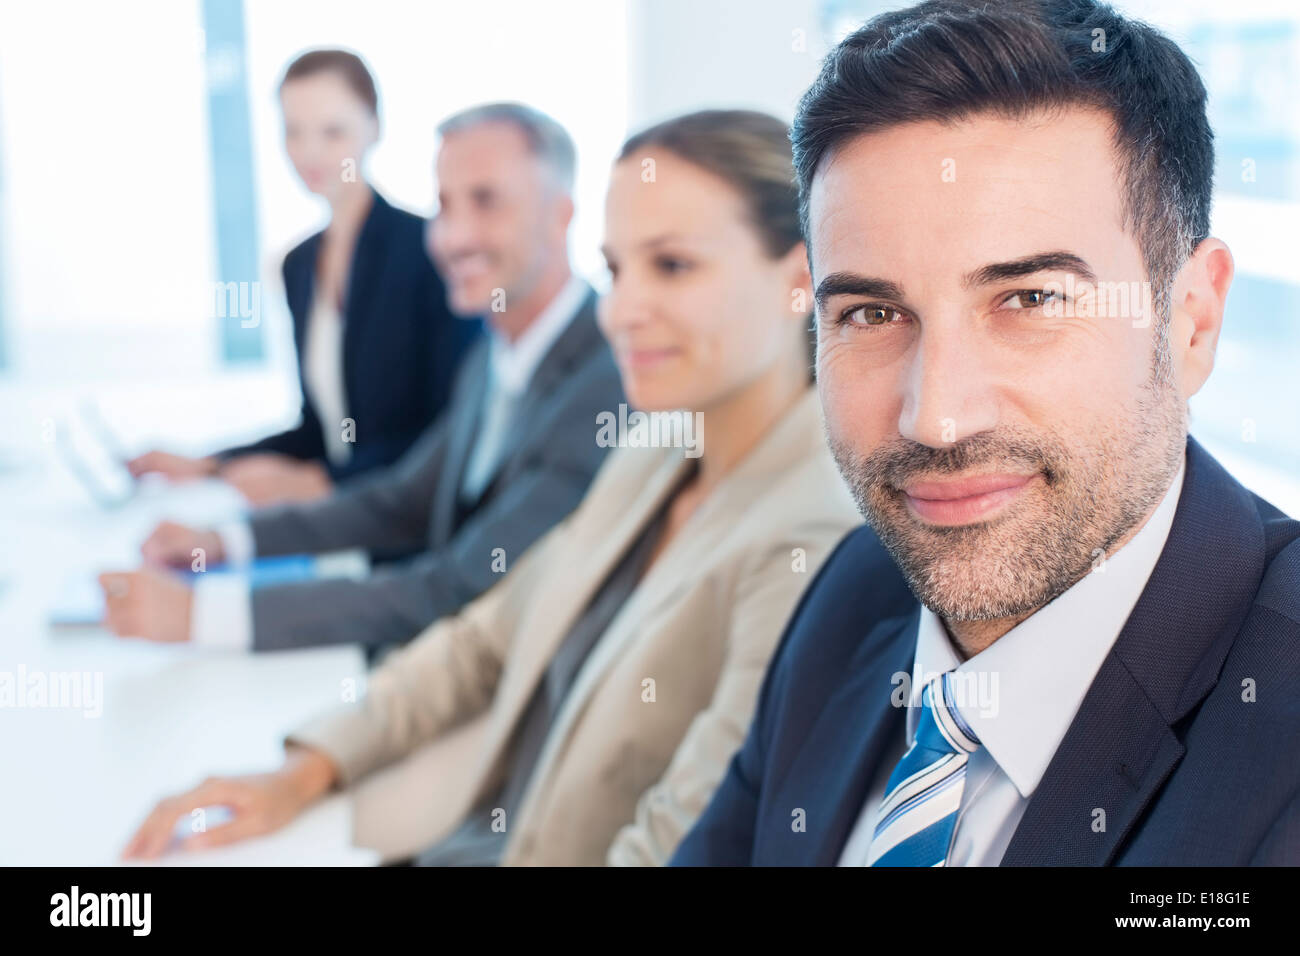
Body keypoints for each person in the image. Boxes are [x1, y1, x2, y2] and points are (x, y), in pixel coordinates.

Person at [120, 109, 862, 866]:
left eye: (671, 265)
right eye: (615, 270)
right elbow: (483, 639)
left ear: (800, 281)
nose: (622, 310)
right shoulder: (655, 450)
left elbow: (682, 847)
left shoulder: (807, 540)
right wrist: (302, 772)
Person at [672, 0, 1300, 868]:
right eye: (873, 311)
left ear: (1191, 320)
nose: (936, 419)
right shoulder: (853, 594)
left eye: (1030, 299)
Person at [98, 104, 623, 654]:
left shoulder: (605, 381)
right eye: (444, 206)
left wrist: (203, 614)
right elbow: (400, 503)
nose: (455, 235)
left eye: (486, 201)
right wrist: (225, 541)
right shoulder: (498, 353)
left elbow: (460, 584)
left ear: (560, 217)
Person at [128, 49, 480, 507]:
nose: (309, 152)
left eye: (332, 131)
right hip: (340, 525)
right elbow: (321, 430)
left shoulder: (427, 250)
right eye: (293, 131)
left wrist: (322, 482)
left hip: (409, 532)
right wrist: (209, 464)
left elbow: (453, 434)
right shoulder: (299, 265)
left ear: (374, 128)